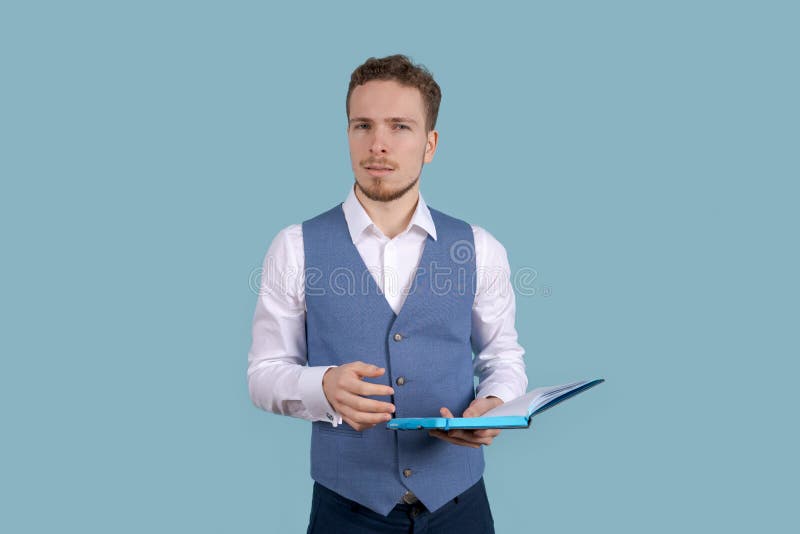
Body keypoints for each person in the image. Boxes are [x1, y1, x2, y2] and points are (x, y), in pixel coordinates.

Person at [248, 54, 527, 533]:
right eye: (363, 125)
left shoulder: (480, 248)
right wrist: (323, 388)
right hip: (346, 512)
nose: (378, 144)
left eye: (400, 126)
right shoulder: (294, 246)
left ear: (430, 144)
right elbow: (263, 374)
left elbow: (504, 357)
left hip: (461, 509)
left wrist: (495, 404)